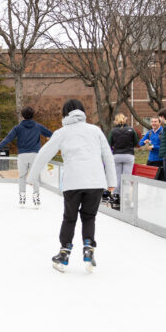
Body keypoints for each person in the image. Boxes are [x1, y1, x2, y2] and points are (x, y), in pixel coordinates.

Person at [28, 99, 116, 273]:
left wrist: (32, 176)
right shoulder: (95, 130)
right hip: (95, 181)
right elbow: (108, 155)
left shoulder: (62, 132)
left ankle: (64, 253)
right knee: (89, 217)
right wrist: (111, 182)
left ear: (65, 113)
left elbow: (44, 154)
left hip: (73, 182)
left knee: (70, 218)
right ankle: (89, 249)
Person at [0, 106, 52, 207]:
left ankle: (22, 198)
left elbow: (8, 138)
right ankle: (36, 198)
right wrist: (49, 139)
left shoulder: (18, 127)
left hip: (22, 155)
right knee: (35, 176)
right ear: (32, 116)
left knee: (22, 176)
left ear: (22, 116)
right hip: (35, 155)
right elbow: (51, 134)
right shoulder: (38, 126)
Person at [107, 114, 139, 210]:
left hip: (117, 155)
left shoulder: (113, 131)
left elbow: (109, 143)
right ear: (125, 120)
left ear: (116, 121)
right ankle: (125, 196)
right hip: (128, 155)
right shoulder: (131, 130)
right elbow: (136, 142)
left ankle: (116, 196)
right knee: (126, 176)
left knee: (117, 176)